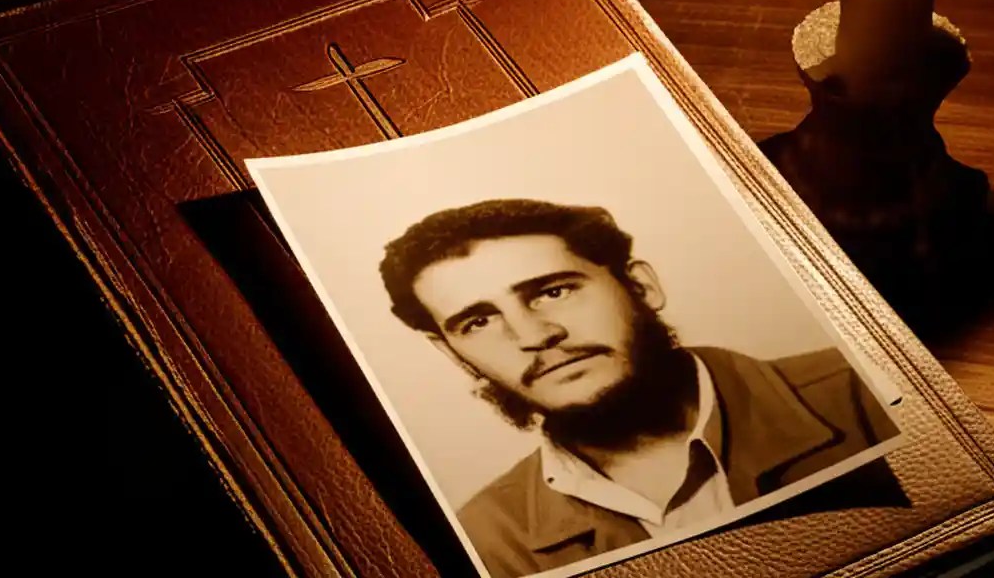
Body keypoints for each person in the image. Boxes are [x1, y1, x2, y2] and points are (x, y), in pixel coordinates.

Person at [379, 199, 899, 578]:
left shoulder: (864, 389)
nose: (534, 337)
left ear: (641, 287)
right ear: (452, 353)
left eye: (553, 292)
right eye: (477, 322)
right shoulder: (489, 539)